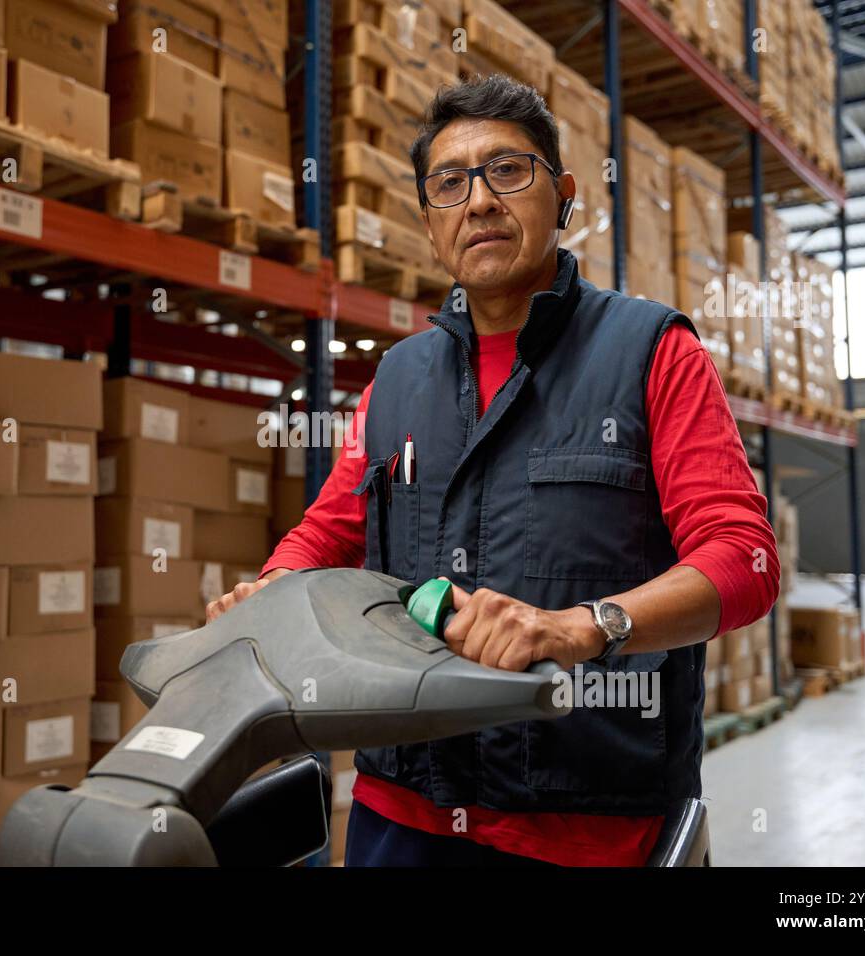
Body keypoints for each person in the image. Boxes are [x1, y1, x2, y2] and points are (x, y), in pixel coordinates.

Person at [207, 74, 779, 866]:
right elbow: (326, 533)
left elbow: (743, 556)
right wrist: (265, 596)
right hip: (398, 814)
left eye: (507, 171)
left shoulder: (650, 352)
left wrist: (585, 627)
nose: (478, 201)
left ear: (565, 195)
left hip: (587, 830)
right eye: (450, 183)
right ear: (430, 222)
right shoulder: (398, 379)